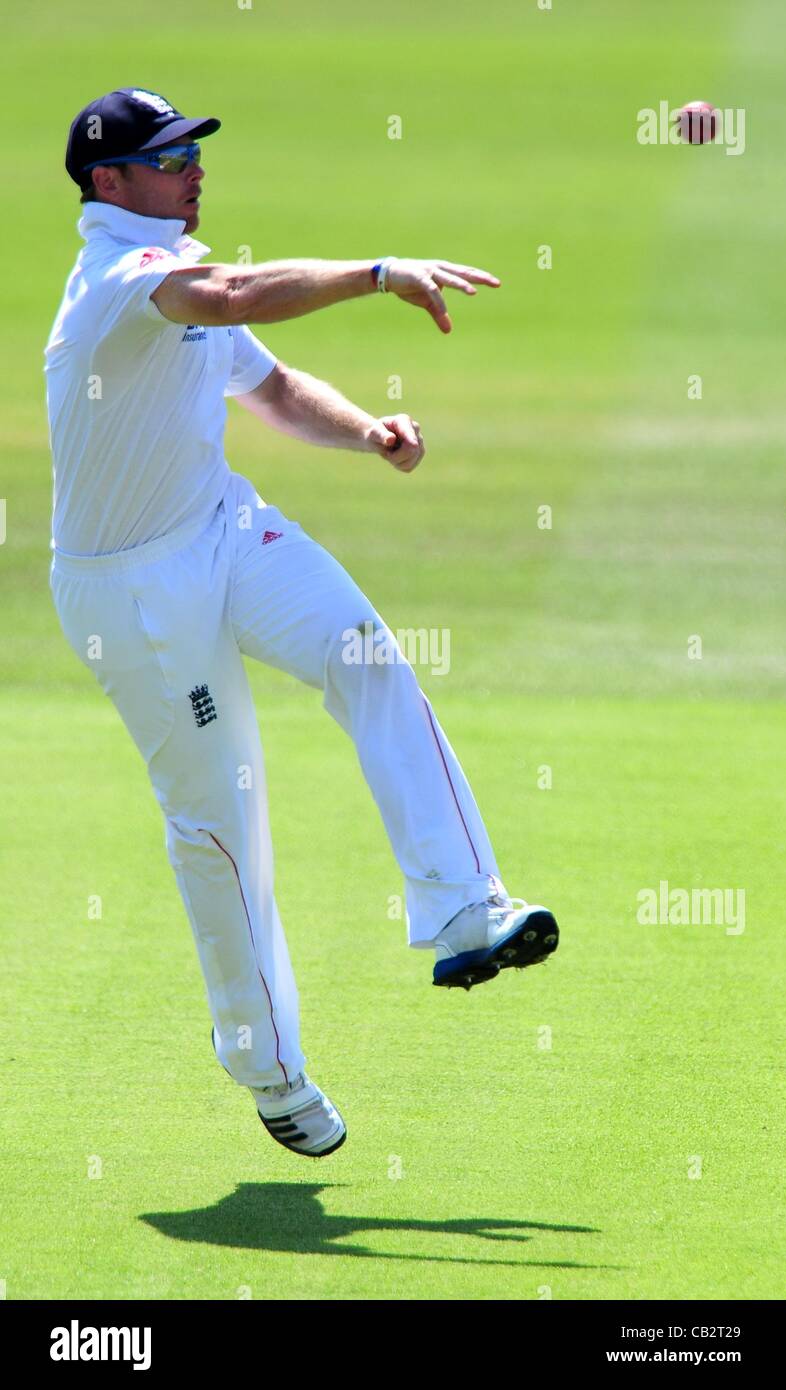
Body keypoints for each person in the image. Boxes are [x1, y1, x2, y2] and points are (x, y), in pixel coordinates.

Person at [45, 88, 559, 1159]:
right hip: (133, 594)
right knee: (222, 824)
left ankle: (468, 907)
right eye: (169, 155)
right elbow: (230, 296)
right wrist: (376, 274)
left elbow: (269, 389)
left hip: (219, 527)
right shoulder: (120, 282)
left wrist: (366, 431)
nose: (193, 166)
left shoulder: (174, 274)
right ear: (110, 183)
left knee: (364, 650)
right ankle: (269, 1068)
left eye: (192, 149)